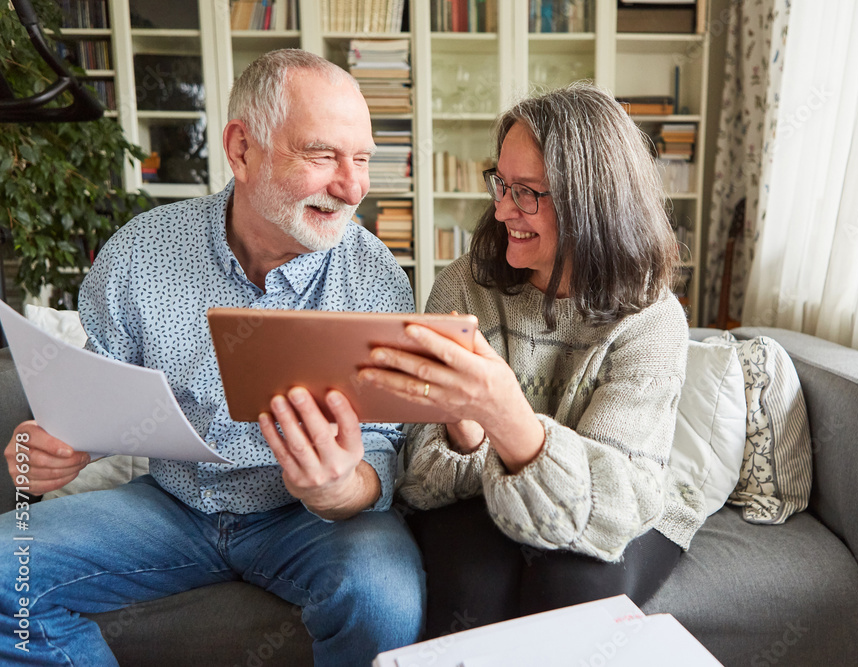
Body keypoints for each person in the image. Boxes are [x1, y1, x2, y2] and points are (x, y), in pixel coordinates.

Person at [1, 49, 423, 666]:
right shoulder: (142, 251)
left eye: (361, 160)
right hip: (174, 507)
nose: (352, 186)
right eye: (322, 154)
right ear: (242, 148)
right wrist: (48, 450)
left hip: (309, 521)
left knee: (382, 599)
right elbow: (98, 400)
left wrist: (344, 490)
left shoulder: (376, 278)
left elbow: (387, 444)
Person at [358, 82, 707, 637]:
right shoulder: (464, 289)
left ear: (590, 200)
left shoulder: (651, 316)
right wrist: (468, 431)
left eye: (526, 192)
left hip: (622, 509)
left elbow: (613, 506)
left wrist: (504, 413)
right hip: (486, 498)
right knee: (469, 583)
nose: (501, 211)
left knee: (572, 588)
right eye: (500, 183)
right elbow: (421, 481)